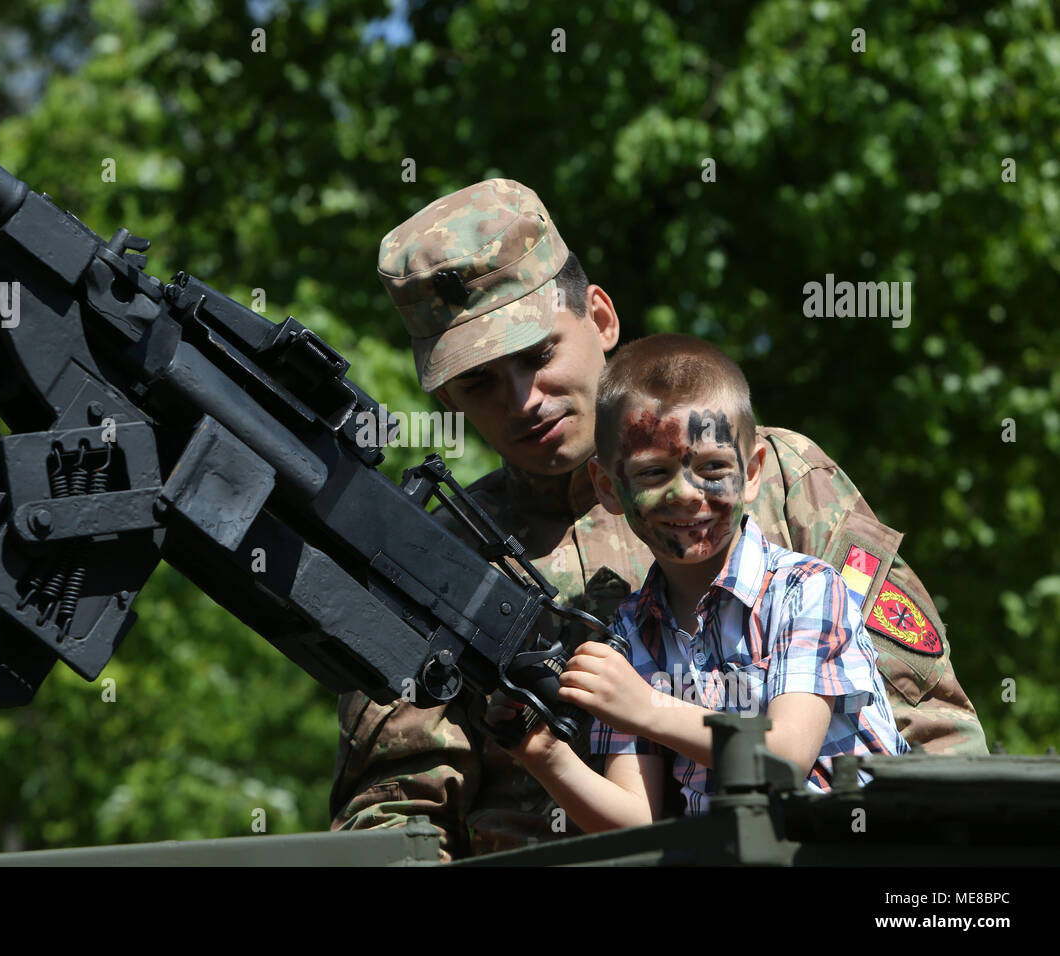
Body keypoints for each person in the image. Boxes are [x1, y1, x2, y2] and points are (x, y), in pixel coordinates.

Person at [330, 178, 986, 860]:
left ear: (601, 318)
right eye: (480, 382)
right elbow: (394, 810)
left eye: (539, 355)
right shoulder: (432, 560)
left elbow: (928, 726)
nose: (524, 400)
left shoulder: (783, 477)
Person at [491, 333, 909, 828]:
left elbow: (783, 759)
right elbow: (634, 821)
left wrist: (644, 705)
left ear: (752, 473)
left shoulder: (808, 591)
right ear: (608, 487)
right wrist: (542, 753)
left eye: (713, 467)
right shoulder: (629, 635)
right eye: (652, 473)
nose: (687, 494)